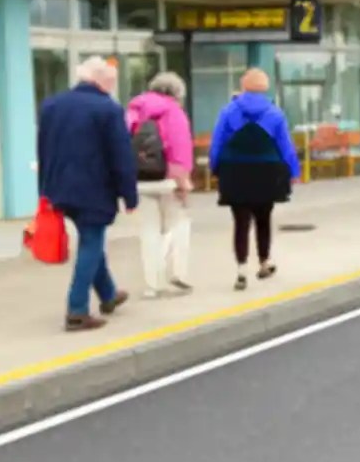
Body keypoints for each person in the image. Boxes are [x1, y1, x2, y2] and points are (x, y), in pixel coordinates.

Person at [37, 57, 138, 331]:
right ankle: (77, 310)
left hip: (58, 187)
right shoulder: (108, 109)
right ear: (99, 80)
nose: (112, 87)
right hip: (94, 188)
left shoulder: (52, 105)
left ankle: (108, 294)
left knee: (90, 239)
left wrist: (44, 189)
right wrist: (129, 195)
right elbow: (121, 156)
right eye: (111, 82)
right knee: (91, 243)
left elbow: (43, 148)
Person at [209, 68, 301, 291]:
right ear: (265, 87)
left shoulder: (228, 111)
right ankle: (264, 261)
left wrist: (215, 168)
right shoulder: (274, 113)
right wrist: (293, 171)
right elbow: (285, 146)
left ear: (243, 86)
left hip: (235, 171)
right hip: (266, 171)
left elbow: (217, 143)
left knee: (240, 222)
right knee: (263, 218)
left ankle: (241, 269)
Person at [126, 72, 195, 298]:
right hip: (167, 180)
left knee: (148, 231)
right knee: (179, 223)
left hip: (139, 179)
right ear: (176, 93)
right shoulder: (173, 112)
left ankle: (153, 285)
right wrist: (182, 181)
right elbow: (180, 148)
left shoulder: (133, 110)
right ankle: (176, 271)